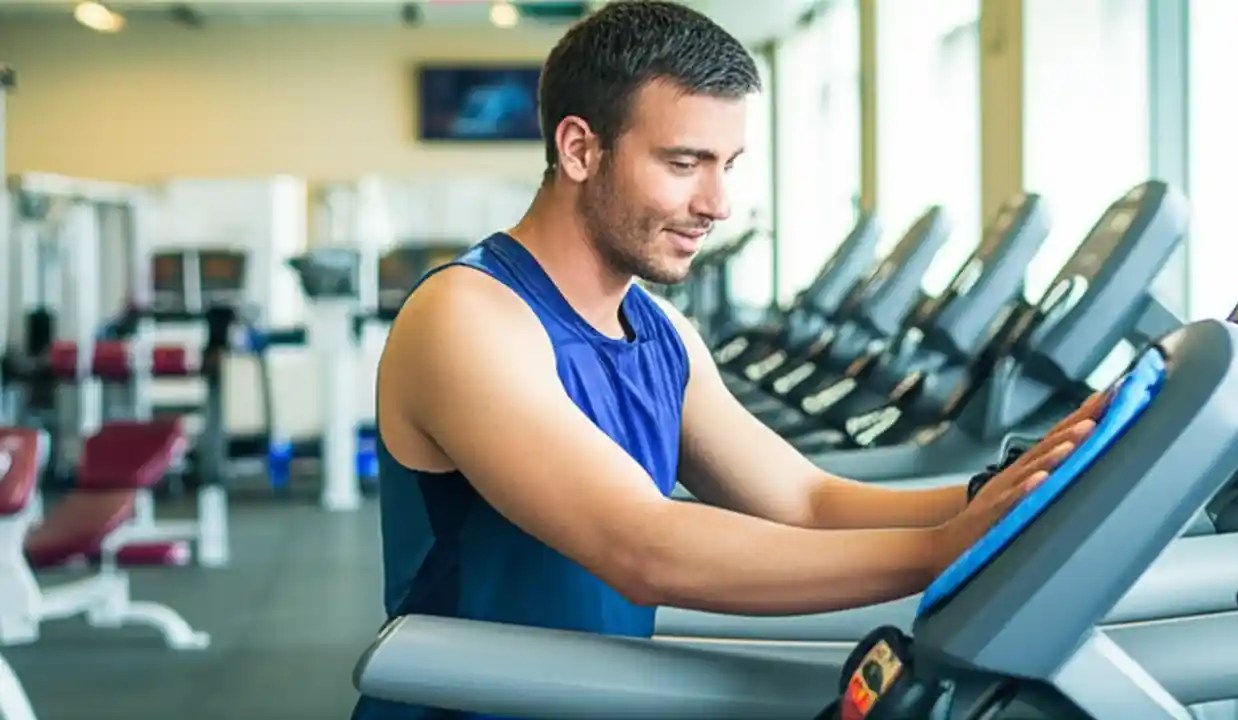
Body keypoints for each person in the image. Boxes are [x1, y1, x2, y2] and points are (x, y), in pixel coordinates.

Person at [352, 2, 1104, 718]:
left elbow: (805, 502)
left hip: (596, 698)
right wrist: (942, 549)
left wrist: (1001, 490)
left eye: (728, 164)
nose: (717, 203)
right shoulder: (468, 317)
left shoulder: (661, 333)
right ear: (579, 149)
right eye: (684, 163)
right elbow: (641, 544)